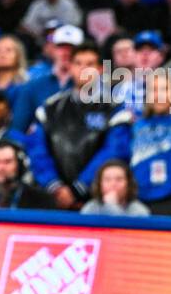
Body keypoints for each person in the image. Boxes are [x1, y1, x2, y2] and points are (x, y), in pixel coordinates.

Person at [26, 42, 132, 209]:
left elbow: (114, 152)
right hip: (52, 198)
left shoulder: (115, 109)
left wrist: (78, 189)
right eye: (78, 63)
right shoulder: (50, 108)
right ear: (70, 67)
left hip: (96, 201)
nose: (84, 69)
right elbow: (37, 151)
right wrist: (54, 186)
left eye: (90, 64)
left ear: (100, 69)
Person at [130, 69, 171, 214]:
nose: (159, 95)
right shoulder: (134, 127)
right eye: (153, 90)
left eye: (165, 89)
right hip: (138, 201)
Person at [80, 160, 150, 217]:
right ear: (99, 184)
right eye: (107, 179)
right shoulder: (90, 208)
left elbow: (122, 232)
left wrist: (111, 205)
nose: (113, 184)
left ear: (129, 184)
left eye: (119, 179)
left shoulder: (139, 210)